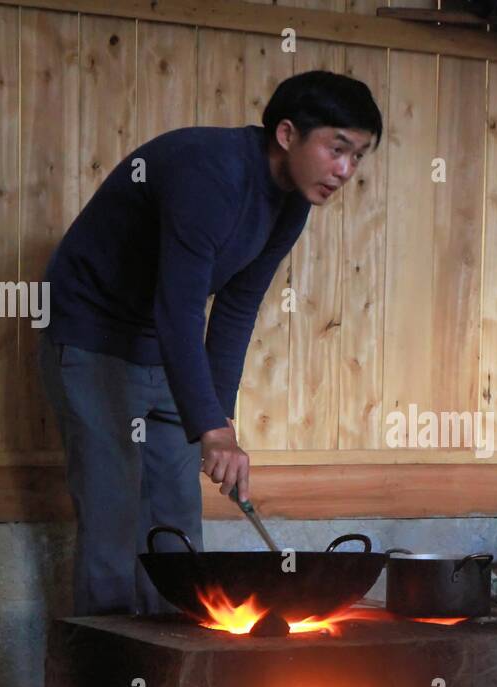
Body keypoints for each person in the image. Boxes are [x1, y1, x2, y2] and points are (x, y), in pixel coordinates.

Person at [38, 71, 382, 616]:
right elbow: (177, 307)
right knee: (114, 511)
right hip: (93, 333)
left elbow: (236, 310)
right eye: (336, 149)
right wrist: (212, 430)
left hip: (164, 348)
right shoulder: (211, 171)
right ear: (288, 134)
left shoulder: (293, 200)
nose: (345, 171)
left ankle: (170, 672)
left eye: (358, 156)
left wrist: (218, 420)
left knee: (174, 520)